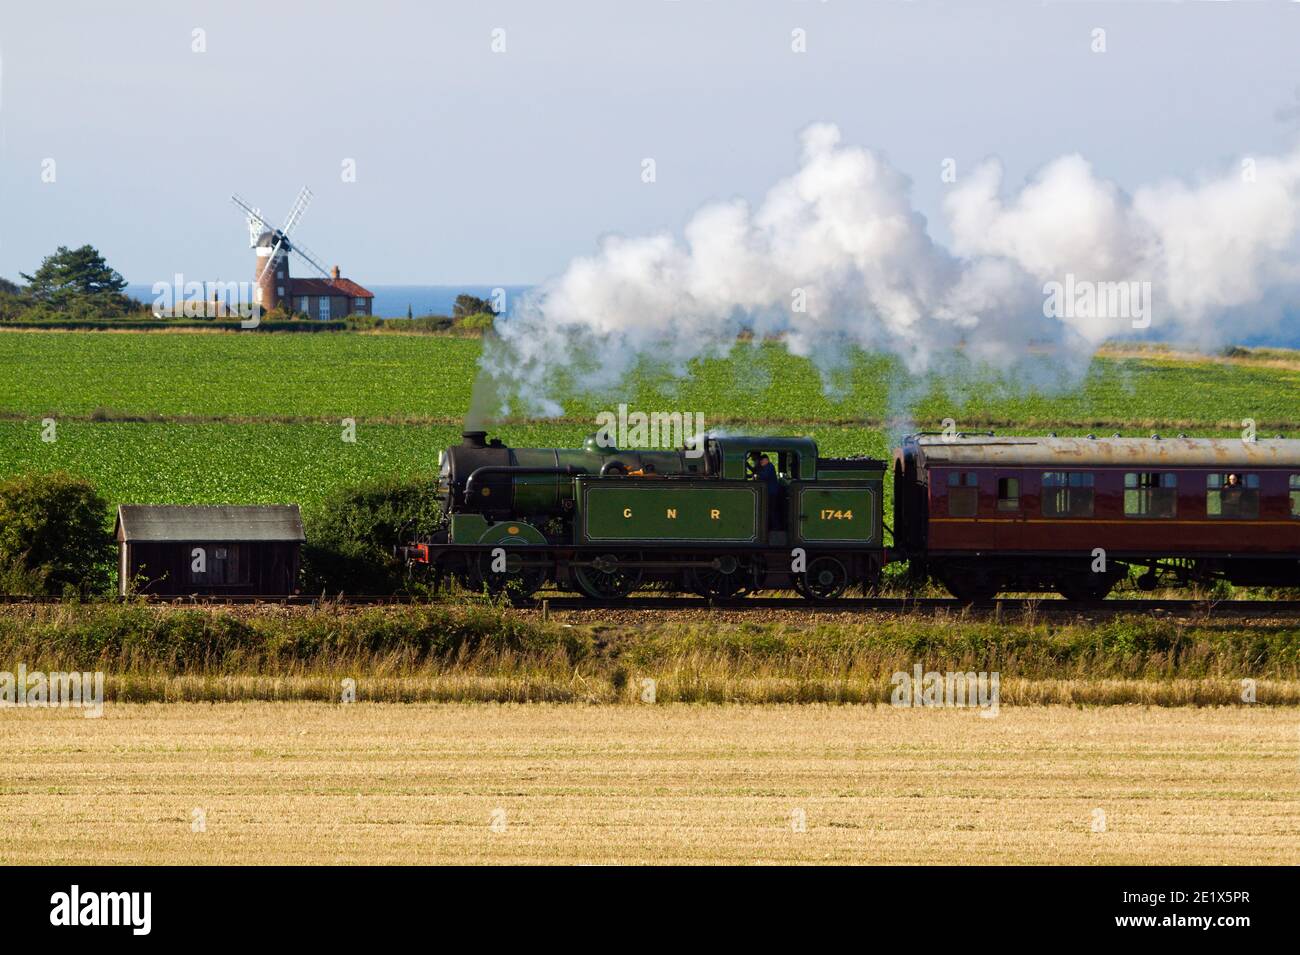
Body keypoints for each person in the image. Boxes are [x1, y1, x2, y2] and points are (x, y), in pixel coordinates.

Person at [754, 454, 783, 529]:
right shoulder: (766, 467)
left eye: (762, 461)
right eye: (760, 461)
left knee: (772, 510)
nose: (761, 462)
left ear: (766, 460)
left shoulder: (769, 467)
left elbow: (764, 476)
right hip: (770, 492)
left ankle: (776, 527)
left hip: (772, 492)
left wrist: (756, 476)